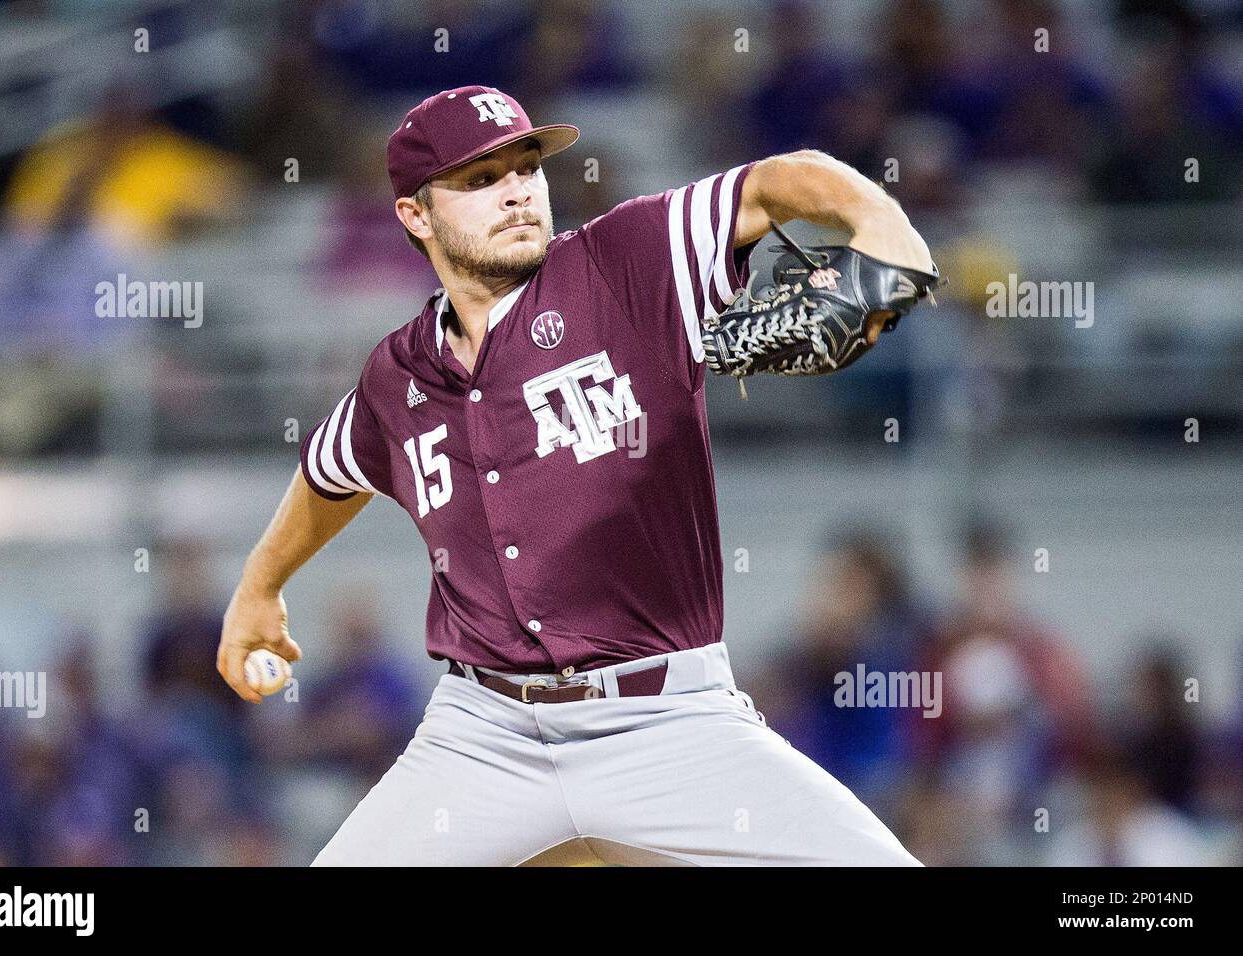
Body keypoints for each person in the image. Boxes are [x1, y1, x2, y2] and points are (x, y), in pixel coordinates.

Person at [217, 85, 932, 866]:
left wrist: (882, 223)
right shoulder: (399, 375)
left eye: (526, 166)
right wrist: (260, 586)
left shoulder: (627, 262)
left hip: (666, 723)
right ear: (415, 217)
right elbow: (330, 468)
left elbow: (774, 182)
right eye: (481, 179)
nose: (518, 189)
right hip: (481, 740)